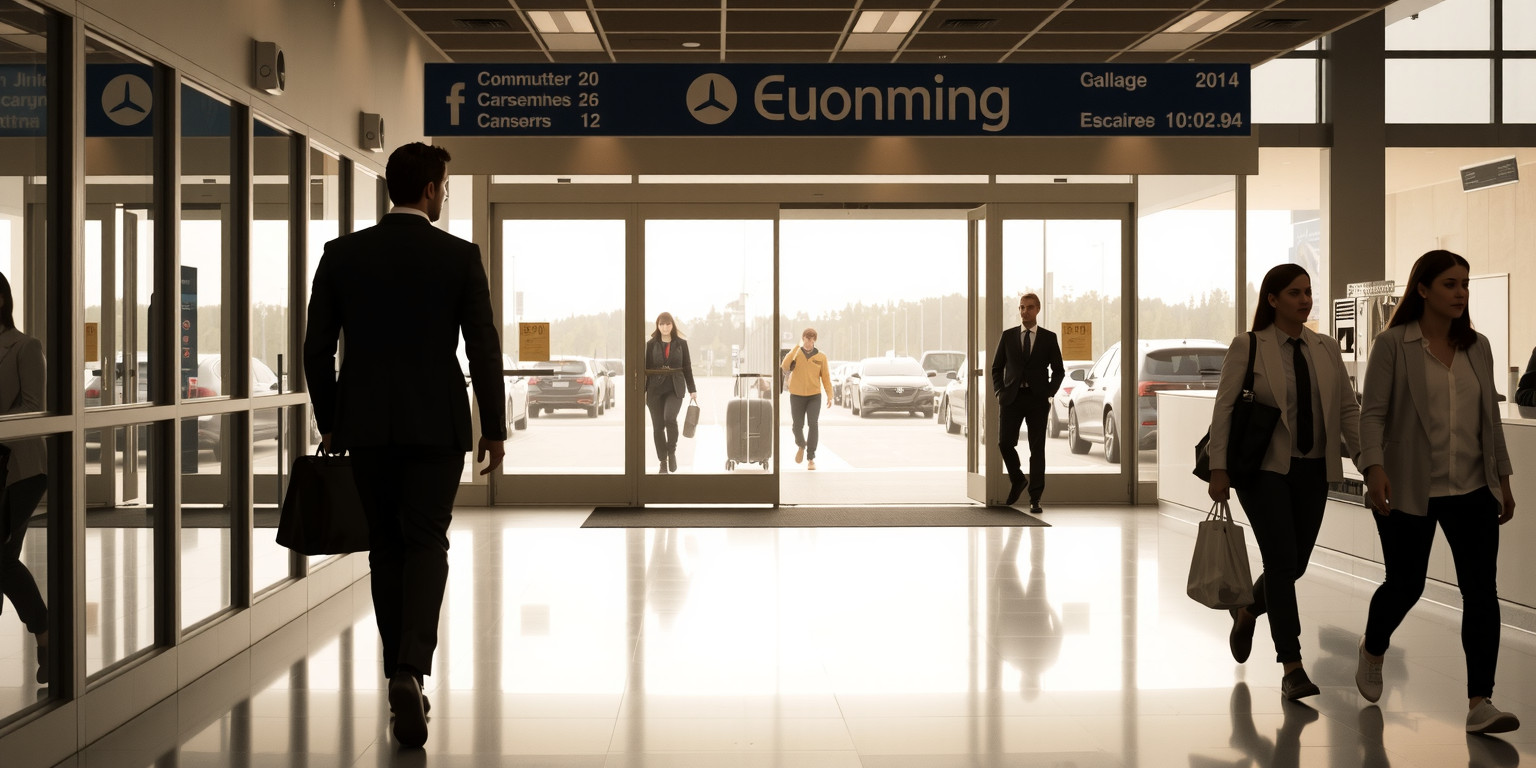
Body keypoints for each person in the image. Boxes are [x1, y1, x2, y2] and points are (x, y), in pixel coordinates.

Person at [304, 143, 506, 749]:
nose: (444, 195)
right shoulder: (458, 257)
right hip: (435, 427)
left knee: (385, 548)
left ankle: (400, 670)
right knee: (426, 542)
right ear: (430, 190)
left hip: (364, 427)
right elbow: (483, 349)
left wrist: (332, 418)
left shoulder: (342, 256)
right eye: (444, 186)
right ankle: (410, 669)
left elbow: (316, 347)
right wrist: (493, 427)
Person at [1357, 249, 1519, 734]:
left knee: (1481, 592)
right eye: (1450, 284)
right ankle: (1372, 646)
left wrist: (1503, 480)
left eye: (1465, 284)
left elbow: (1489, 421)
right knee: (1407, 585)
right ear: (1423, 289)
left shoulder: (1479, 346)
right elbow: (1372, 415)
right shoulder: (1393, 345)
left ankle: (1479, 702)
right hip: (1409, 485)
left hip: (1472, 486)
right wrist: (1373, 468)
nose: (1460, 293)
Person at [1206, 264, 1362, 701]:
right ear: (1272, 300)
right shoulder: (1249, 346)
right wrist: (1220, 468)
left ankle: (1248, 609)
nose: (1305, 300)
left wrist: (1369, 464)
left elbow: (1347, 411)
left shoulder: (1325, 348)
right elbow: (1224, 410)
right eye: (1294, 293)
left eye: (1308, 292)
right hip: (1265, 469)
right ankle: (1291, 664)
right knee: (1279, 561)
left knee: (1294, 565)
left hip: (1313, 468)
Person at [0, 272, 48, 686]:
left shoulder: (25, 346)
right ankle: (47, 639)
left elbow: (34, 408)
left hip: (21, 470)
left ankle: (47, 633)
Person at [990, 292, 1064, 512]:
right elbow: (996, 368)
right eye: (1022, 307)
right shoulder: (1008, 336)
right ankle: (1018, 479)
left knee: (1037, 449)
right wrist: (999, 393)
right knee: (1004, 443)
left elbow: (1058, 370)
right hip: (1011, 399)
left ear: (1038, 309)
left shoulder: (1048, 338)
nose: (1025, 311)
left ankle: (1035, 498)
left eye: (1029, 307)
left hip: (1037, 400)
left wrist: (1048, 392)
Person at [643, 312, 697, 473]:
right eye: (661, 324)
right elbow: (646, 369)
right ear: (657, 326)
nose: (664, 327)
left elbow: (687, 367)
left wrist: (692, 389)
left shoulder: (681, 344)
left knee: (669, 418)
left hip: (675, 387)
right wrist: (643, 391)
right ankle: (663, 462)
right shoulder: (651, 344)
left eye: (667, 324)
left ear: (672, 325)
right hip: (654, 390)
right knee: (658, 427)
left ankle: (671, 452)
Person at [780, 328, 833, 470]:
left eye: (812, 340)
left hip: (814, 396)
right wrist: (796, 347)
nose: (810, 342)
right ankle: (801, 445)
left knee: (813, 424)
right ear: (803, 338)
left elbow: (826, 377)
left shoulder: (821, 356)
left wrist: (830, 395)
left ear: (814, 340)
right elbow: (784, 365)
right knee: (797, 426)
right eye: (807, 339)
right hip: (796, 395)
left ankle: (811, 458)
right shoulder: (796, 354)